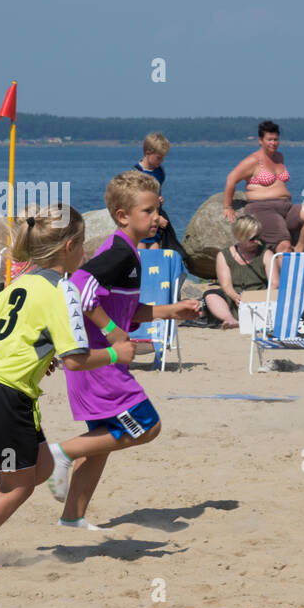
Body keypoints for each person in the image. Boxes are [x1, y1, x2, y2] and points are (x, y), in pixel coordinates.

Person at [0, 204, 136, 579]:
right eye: (84, 248)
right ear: (70, 246)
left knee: (39, 467)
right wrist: (115, 352)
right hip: (6, 397)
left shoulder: (22, 281)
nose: (87, 255)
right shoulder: (62, 292)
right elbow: (75, 360)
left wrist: (24, 353)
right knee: (18, 488)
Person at [44, 171, 201, 530]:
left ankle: (72, 518)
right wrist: (113, 333)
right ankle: (61, 452)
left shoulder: (127, 252)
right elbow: (79, 290)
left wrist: (171, 310)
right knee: (147, 426)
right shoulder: (119, 252)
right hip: (100, 364)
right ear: (122, 216)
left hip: (99, 361)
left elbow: (127, 310)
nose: (157, 219)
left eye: (157, 210)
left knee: (100, 446)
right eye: (147, 212)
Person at [224, 121, 304, 252]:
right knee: (285, 245)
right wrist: (228, 206)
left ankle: (299, 249)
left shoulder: (279, 157)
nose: (273, 143)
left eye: (276, 139)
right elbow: (231, 179)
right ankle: (285, 269)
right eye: (269, 139)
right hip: (263, 209)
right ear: (260, 141)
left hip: (287, 208)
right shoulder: (253, 160)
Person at [202, 212, 274, 329]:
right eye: (252, 239)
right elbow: (226, 285)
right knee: (210, 295)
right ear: (240, 237)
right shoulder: (224, 255)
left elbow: (274, 283)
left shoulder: (266, 253)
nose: (257, 241)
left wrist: (258, 297)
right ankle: (230, 319)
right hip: (235, 298)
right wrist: (235, 297)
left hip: (261, 296)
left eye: (258, 237)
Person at [133, 132, 186, 258]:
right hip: (141, 220)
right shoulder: (136, 173)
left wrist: (158, 201)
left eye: (163, 157)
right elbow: (136, 201)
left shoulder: (159, 171)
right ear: (147, 153)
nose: (161, 161)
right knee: (141, 255)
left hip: (153, 220)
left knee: (155, 254)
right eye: (158, 157)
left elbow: (158, 193)